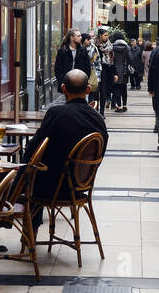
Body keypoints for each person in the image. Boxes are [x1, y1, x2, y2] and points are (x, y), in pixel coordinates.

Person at [23, 69, 108, 226]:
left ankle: (24, 230)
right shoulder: (97, 119)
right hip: (81, 185)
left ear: (63, 89)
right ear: (88, 90)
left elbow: (32, 150)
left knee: (28, 173)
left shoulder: (56, 113)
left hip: (52, 187)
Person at [110, 31, 131, 111]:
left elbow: (111, 59)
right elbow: (130, 58)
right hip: (124, 71)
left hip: (115, 71)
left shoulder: (112, 47)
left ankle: (119, 107)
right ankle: (125, 106)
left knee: (116, 89)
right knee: (124, 89)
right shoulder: (127, 47)